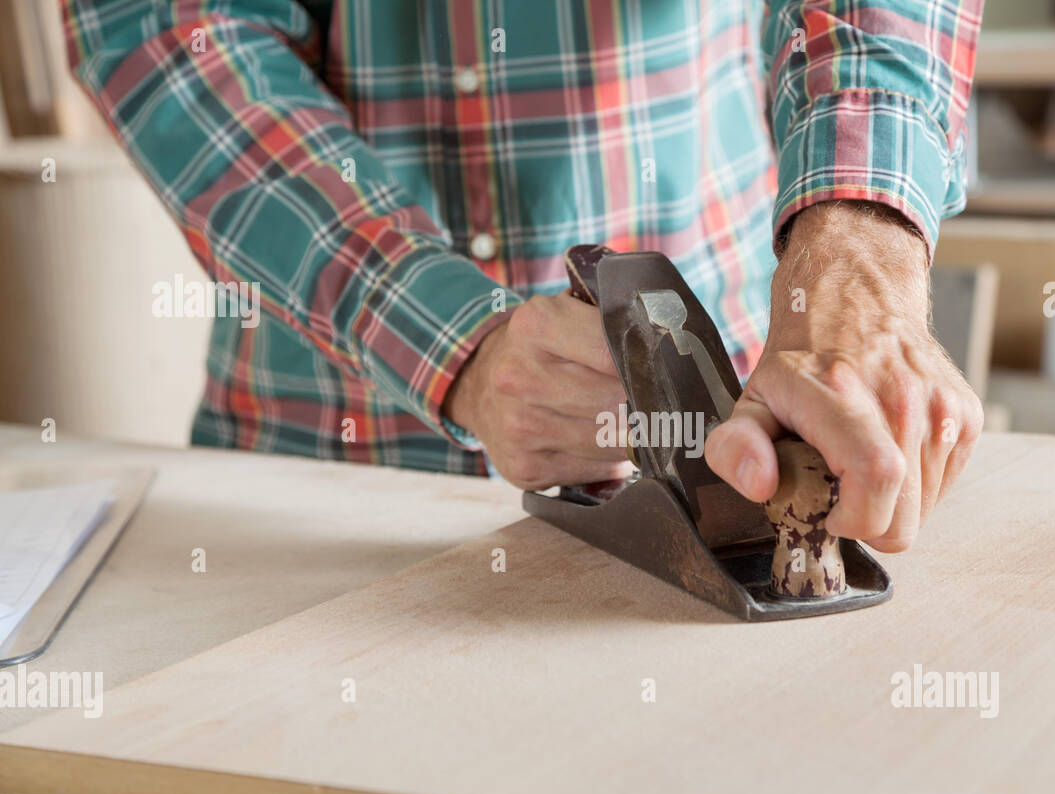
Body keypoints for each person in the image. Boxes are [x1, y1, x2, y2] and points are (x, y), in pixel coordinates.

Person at [63, 0, 984, 552]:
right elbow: (174, 27)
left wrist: (857, 234)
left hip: (729, 425)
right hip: (324, 481)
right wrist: (446, 337)